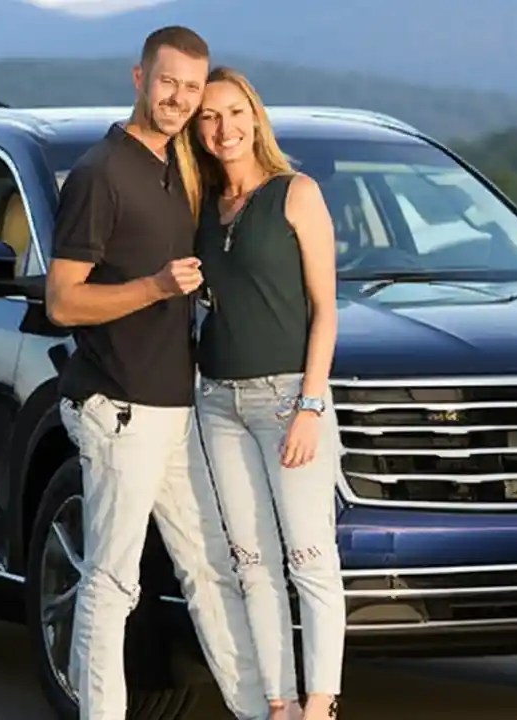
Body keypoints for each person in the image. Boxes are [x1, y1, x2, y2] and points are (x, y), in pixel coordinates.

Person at [45, 28, 268, 720]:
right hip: (120, 406)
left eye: (191, 88)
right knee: (112, 582)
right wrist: (154, 287)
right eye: (167, 82)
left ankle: (264, 710)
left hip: (177, 409)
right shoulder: (100, 173)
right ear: (139, 78)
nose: (178, 99)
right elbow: (62, 301)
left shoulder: (181, 168)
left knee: (212, 571)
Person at [181, 66, 344, 720]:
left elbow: (325, 311)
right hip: (218, 403)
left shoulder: (295, 193)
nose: (224, 128)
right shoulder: (201, 208)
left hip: (287, 404)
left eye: (234, 112)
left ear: (255, 116)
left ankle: (320, 705)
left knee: (309, 559)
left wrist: (310, 406)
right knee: (252, 565)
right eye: (209, 117)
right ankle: (277, 703)